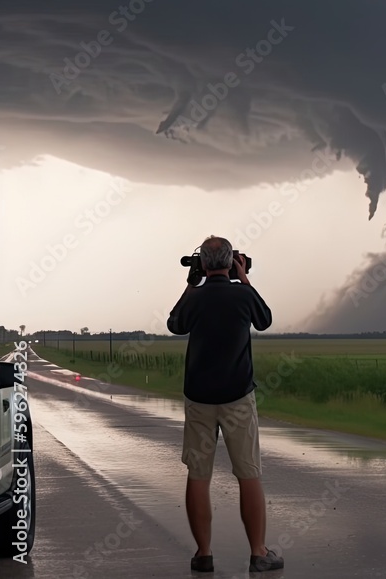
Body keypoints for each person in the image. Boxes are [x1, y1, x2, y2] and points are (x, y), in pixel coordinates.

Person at [167, 235, 283, 573]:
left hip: (199, 398)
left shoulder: (196, 298)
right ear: (232, 261)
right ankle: (259, 553)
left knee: (198, 475)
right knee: (248, 474)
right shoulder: (243, 294)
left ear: (202, 263)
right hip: (238, 398)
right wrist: (244, 278)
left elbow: (175, 324)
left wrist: (192, 284)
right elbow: (264, 320)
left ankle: (203, 554)